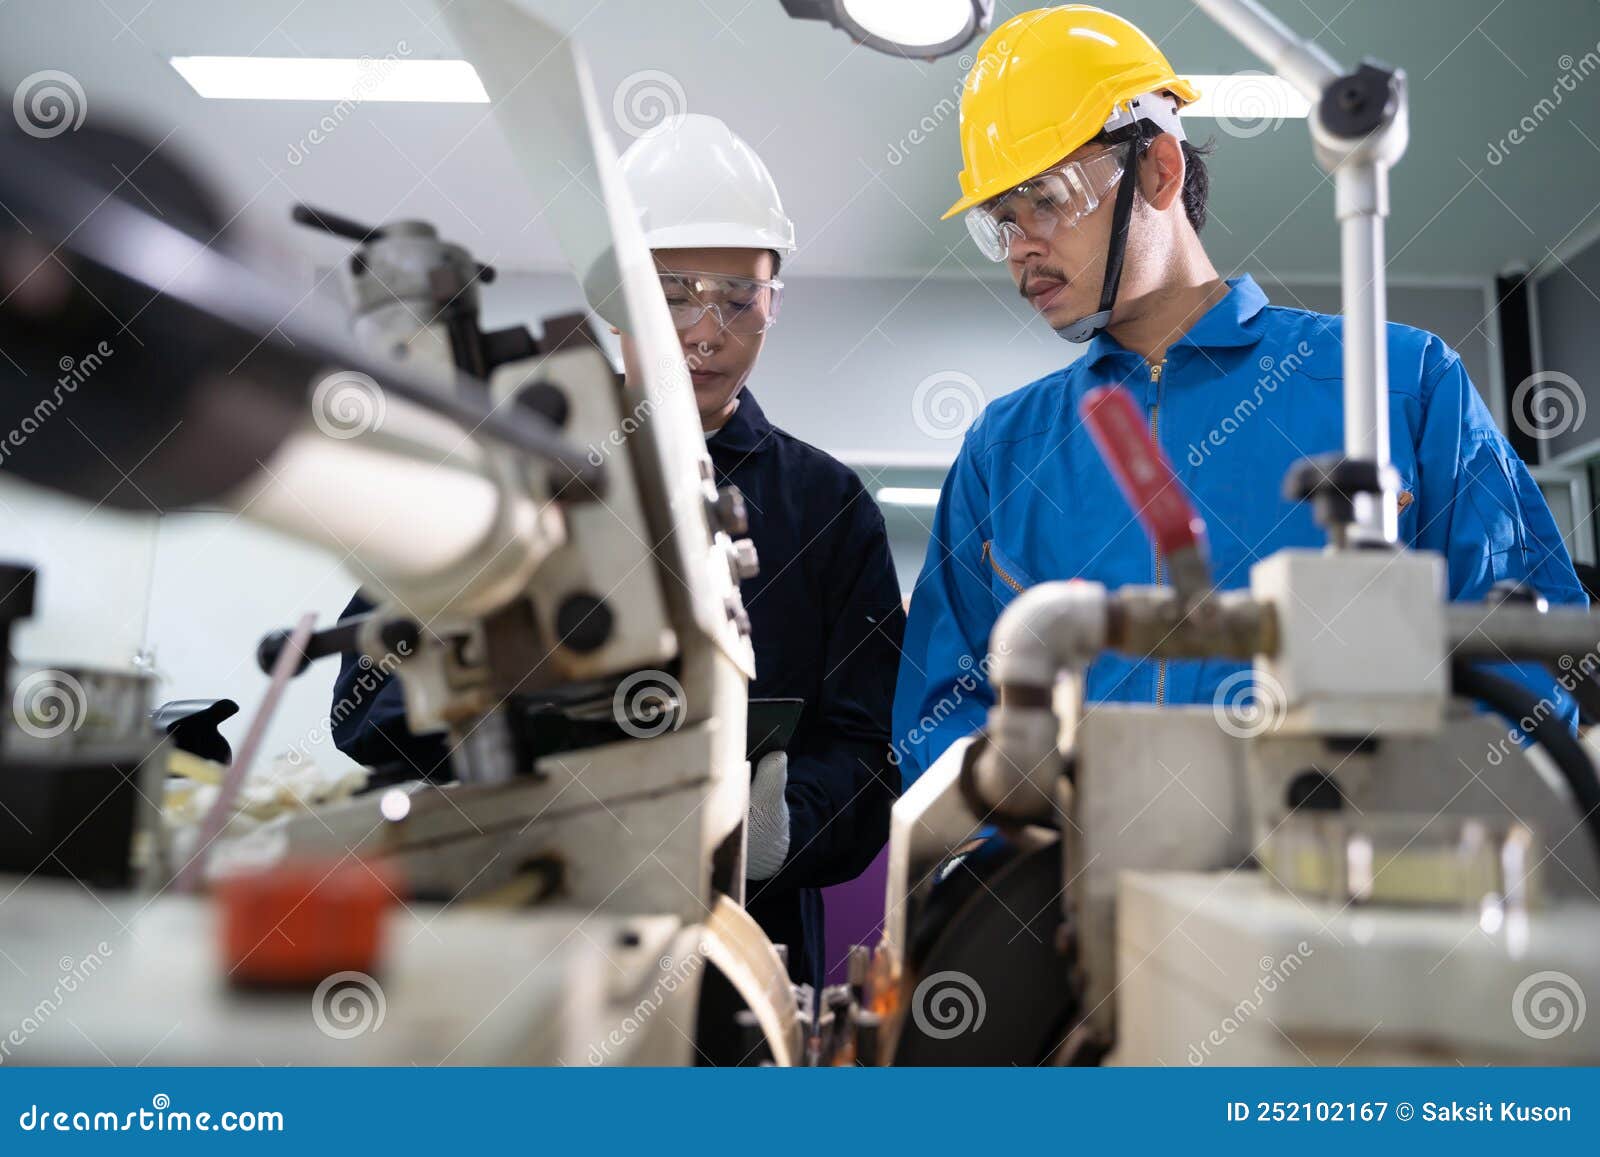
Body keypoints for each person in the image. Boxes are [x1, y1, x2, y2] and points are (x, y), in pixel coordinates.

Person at [892, 5, 1585, 785]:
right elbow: (942, 712)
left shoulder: (1395, 382)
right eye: (1000, 221)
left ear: (1159, 168)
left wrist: (1391, 840)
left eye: (1046, 198)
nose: (1020, 248)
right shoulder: (1003, 451)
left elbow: (1527, 660)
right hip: (1081, 895)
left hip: (1356, 881)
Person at [331, 113, 904, 989]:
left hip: (739, 952)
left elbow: (870, 752)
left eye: (737, 297)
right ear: (611, 300)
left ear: (774, 301)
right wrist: (525, 763)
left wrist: (777, 824)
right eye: (671, 293)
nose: (706, 331)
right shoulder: (504, 471)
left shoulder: (829, 508)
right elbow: (363, 711)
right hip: (516, 940)